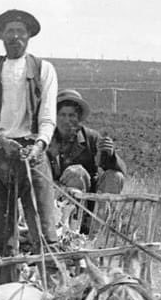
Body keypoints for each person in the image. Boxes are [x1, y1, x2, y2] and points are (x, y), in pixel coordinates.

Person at [0, 7, 59, 284]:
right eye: (10, 32)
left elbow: (48, 116)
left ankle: (52, 298)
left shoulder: (44, 69)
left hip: (33, 157)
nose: (15, 37)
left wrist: (40, 144)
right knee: (2, 238)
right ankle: (5, 297)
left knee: (45, 233)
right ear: (0, 36)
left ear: (29, 36)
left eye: (21, 32)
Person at [47, 89, 127, 236]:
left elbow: (120, 170)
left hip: (90, 200)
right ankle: (70, 229)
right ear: (55, 116)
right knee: (76, 172)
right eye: (62, 115)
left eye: (72, 115)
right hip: (58, 200)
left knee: (115, 176)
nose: (67, 120)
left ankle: (97, 231)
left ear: (78, 118)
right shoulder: (47, 138)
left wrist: (110, 155)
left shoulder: (90, 137)